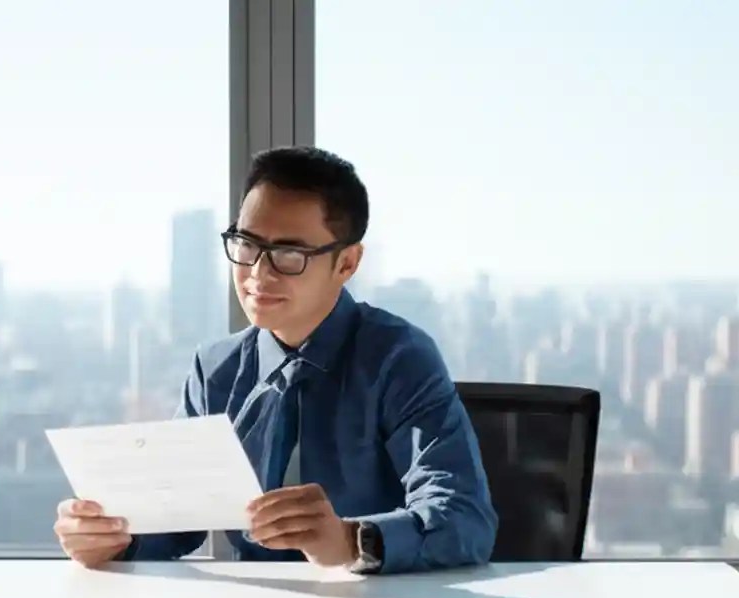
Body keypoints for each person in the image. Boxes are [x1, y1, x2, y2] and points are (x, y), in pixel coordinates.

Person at [54, 146, 497, 574]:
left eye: (289, 255)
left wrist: (351, 541)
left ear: (346, 263)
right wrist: (113, 538)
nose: (258, 274)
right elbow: (177, 519)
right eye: (247, 245)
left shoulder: (399, 359)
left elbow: (465, 517)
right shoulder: (216, 369)